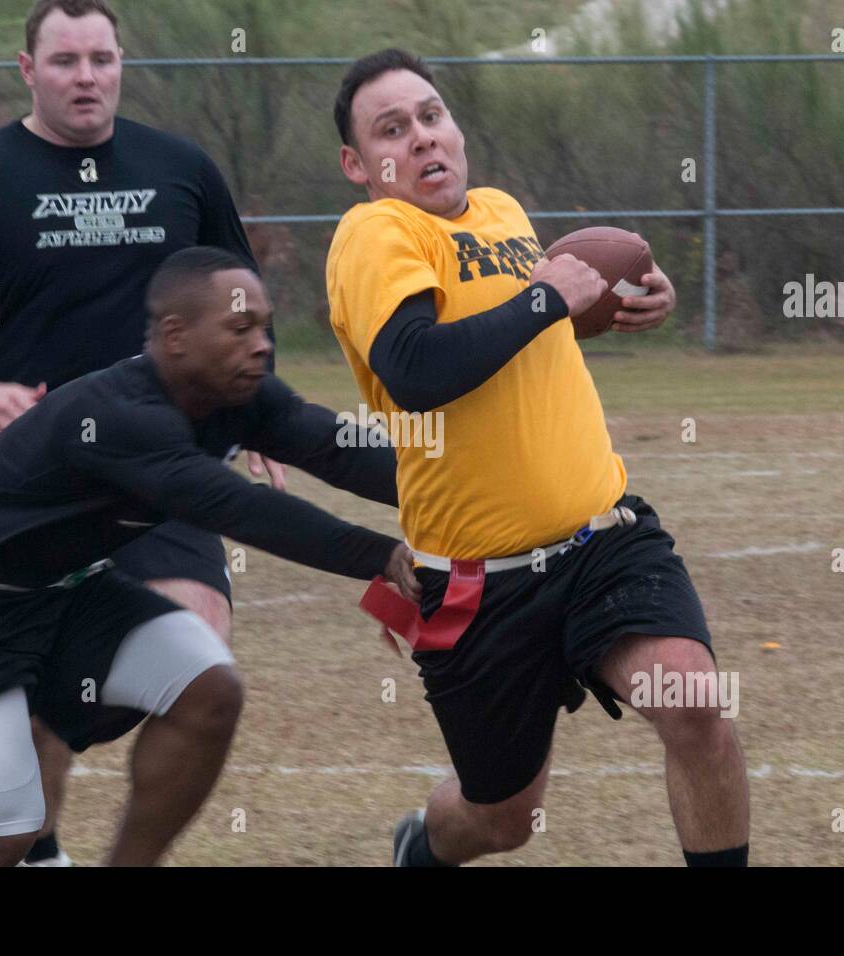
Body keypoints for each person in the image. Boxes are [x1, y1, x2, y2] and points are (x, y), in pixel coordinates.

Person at [326, 49, 750, 866]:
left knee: (694, 700)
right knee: (502, 818)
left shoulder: (502, 213)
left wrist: (631, 298)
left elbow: (539, 322)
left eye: (430, 115)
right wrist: (548, 294)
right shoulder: (373, 231)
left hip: (601, 539)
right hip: (480, 584)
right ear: (357, 164)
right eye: (391, 129)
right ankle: (423, 849)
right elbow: (417, 370)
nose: (420, 137)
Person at [0, 246, 416, 866]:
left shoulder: (235, 395)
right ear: (175, 335)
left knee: (209, 690)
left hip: (63, 590)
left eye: (264, 326)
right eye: (240, 328)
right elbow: (245, 510)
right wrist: (383, 554)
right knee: (5, 832)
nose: (262, 344)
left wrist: (457, 498)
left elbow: (336, 447)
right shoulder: (124, 415)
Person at [0, 0, 277, 865]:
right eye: (65, 61)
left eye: (101, 58)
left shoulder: (179, 168)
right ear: (29, 70)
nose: (86, 77)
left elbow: (240, 300)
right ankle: (36, 842)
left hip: (163, 471)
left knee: (199, 644)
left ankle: (74, 838)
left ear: (122, 63)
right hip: (35, 487)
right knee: (27, 735)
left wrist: (258, 414)